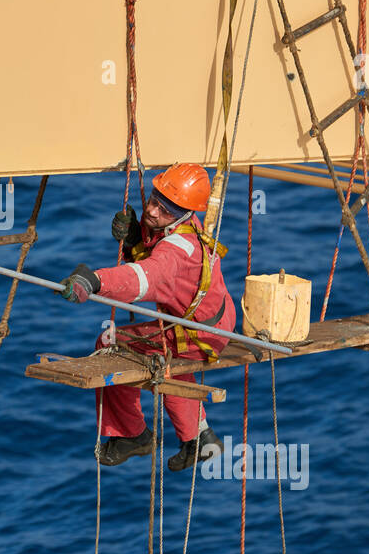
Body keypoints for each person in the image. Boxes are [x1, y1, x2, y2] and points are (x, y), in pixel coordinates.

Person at [57, 164, 236, 472]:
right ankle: (200, 439)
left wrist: (94, 281)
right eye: (153, 199)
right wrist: (134, 240)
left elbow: (144, 278)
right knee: (169, 360)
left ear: (181, 212)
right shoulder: (187, 225)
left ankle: (131, 434)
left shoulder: (177, 252)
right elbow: (155, 256)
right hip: (212, 322)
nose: (152, 210)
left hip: (195, 334)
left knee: (109, 343)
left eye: (162, 209)